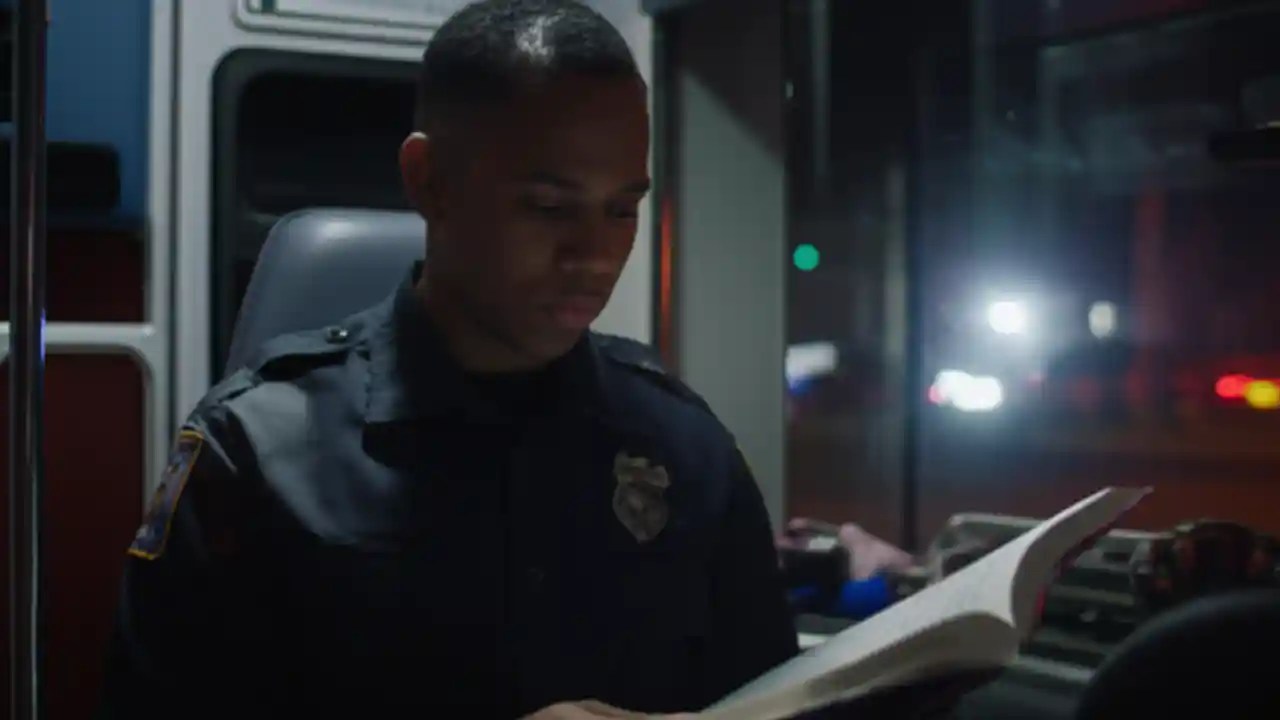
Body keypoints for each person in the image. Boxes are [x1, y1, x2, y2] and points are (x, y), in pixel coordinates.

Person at [97, 1, 798, 717]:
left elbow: (774, 698)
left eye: (621, 210)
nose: (594, 257)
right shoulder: (256, 454)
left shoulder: (686, 450)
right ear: (430, 181)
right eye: (549, 207)